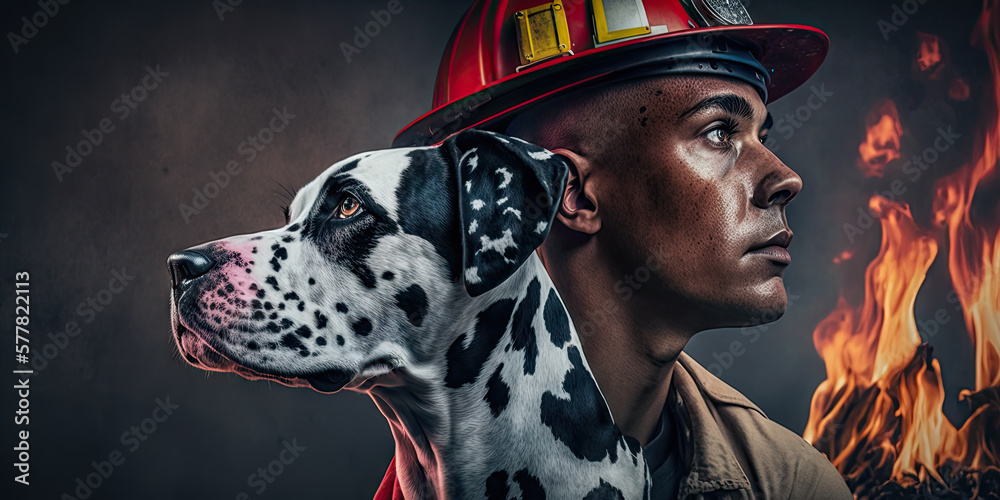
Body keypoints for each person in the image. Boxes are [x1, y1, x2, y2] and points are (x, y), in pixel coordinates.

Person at [382, 0, 853, 498]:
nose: (786, 178)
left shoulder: (795, 487)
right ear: (571, 193)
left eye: (762, 135)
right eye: (719, 133)